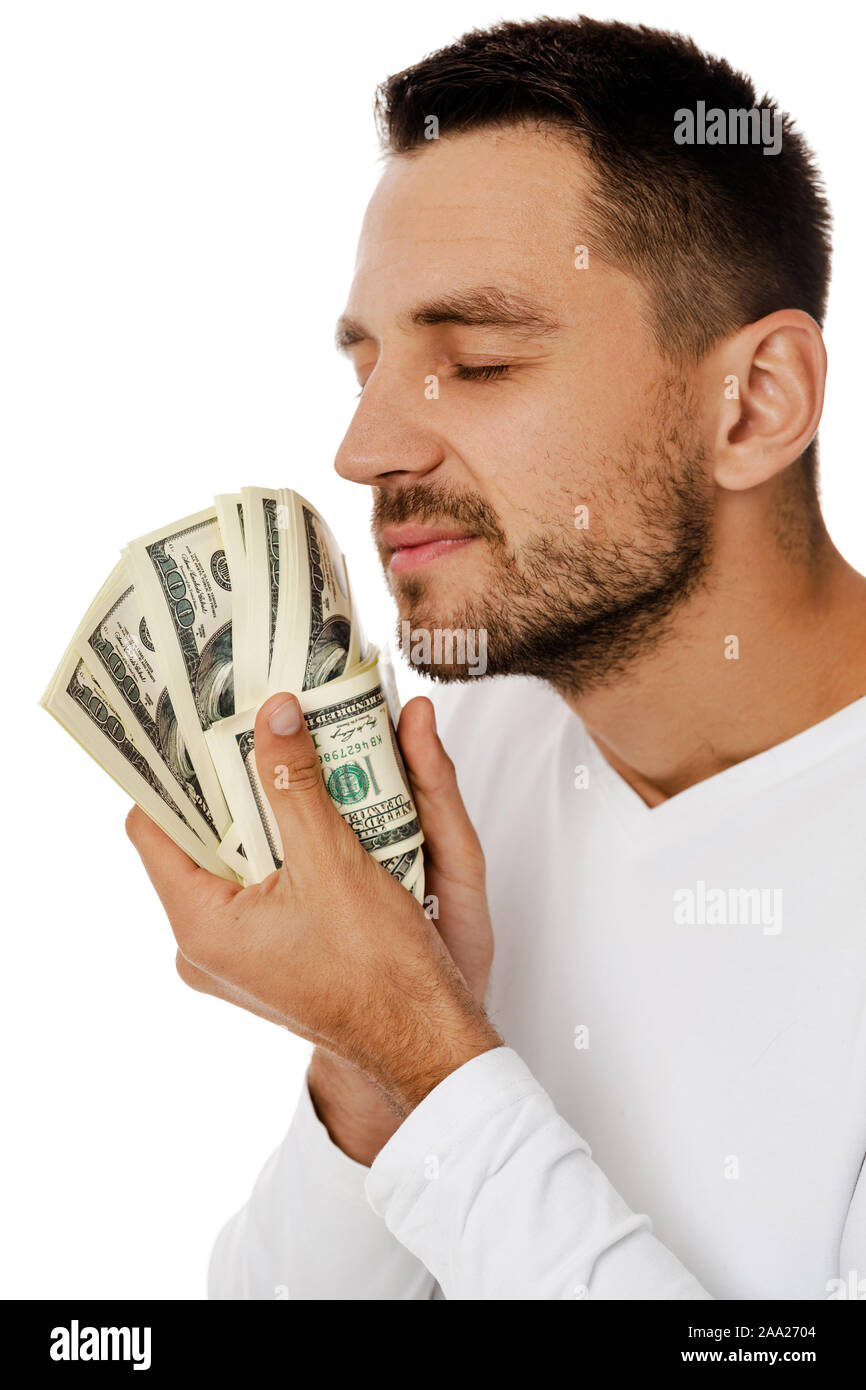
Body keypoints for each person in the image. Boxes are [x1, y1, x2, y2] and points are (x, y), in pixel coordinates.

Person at [126, 16, 866, 1300]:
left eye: (475, 361)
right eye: (368, 364)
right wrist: (365, 1071)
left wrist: (424, 1051)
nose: (362, 450)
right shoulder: (473, 749)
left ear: (753, 403)